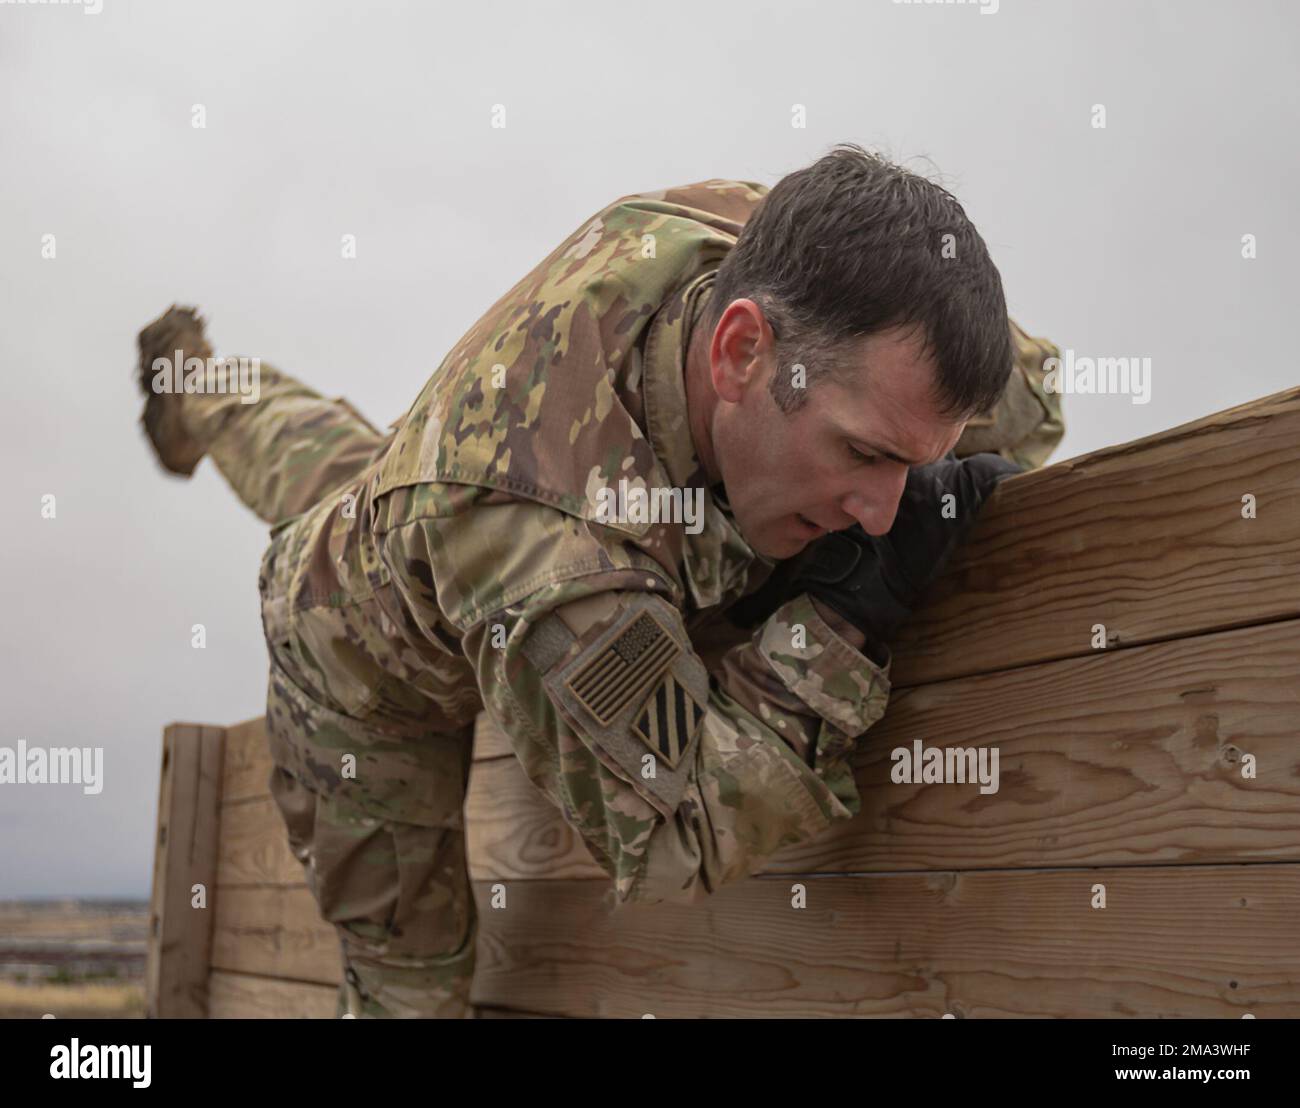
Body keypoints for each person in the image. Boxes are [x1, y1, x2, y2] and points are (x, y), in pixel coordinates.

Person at [135, 144, 1064, 1018]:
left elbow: (1031, 402)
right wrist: (843, 616)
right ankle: (205, 395)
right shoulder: (540, 543)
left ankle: (205, 389)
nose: (882, 508)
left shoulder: (782, 250)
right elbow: (673, 828)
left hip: (435, 491)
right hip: (360, 668)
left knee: (329, 458)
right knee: (409, 984)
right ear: (741, 353)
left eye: (911, 467)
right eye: (861, 454)